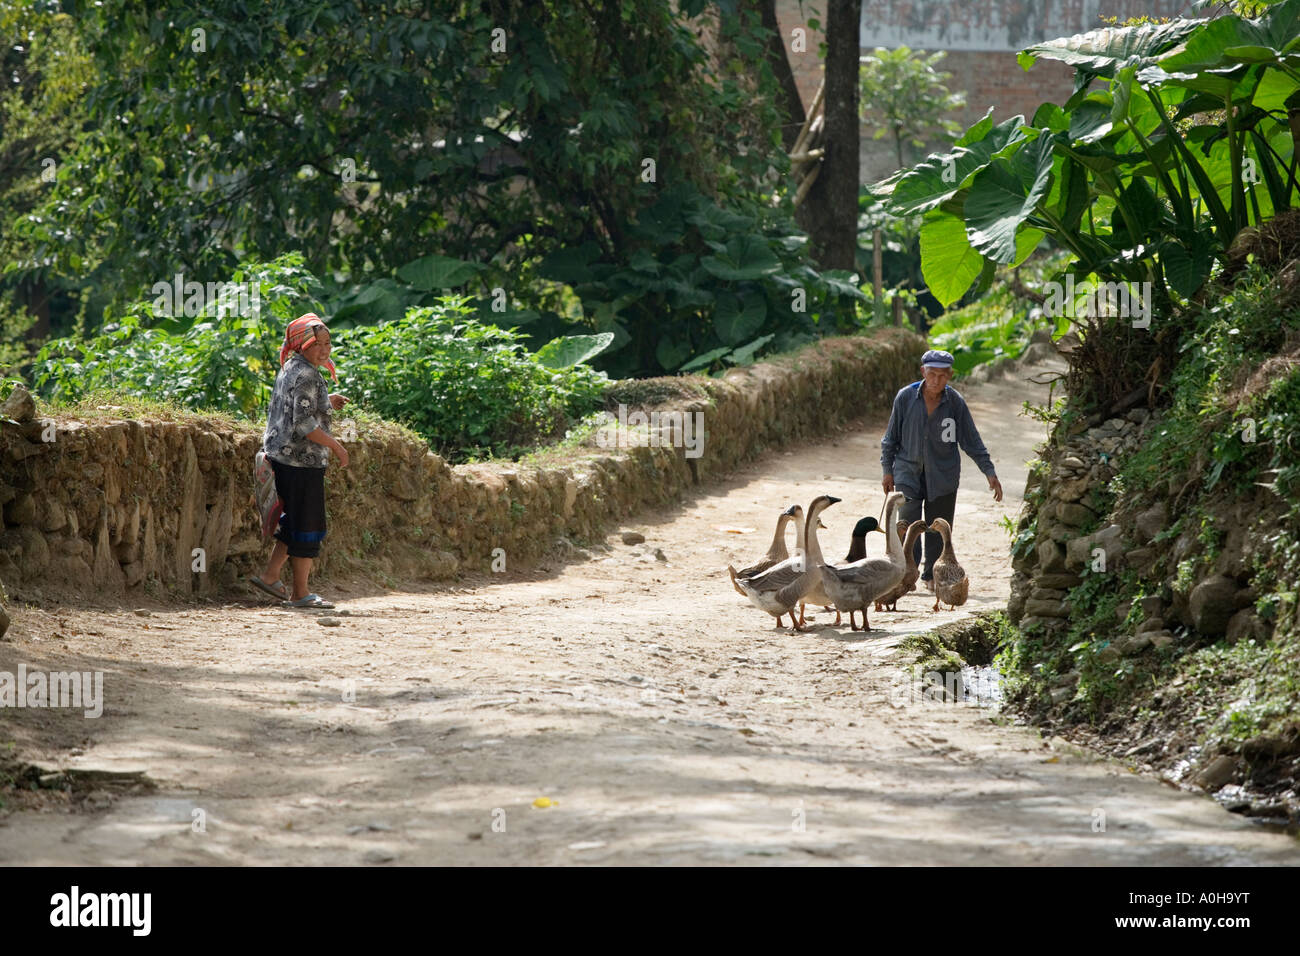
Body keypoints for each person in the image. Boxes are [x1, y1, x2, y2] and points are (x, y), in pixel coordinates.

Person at [249, 313, 350, 608]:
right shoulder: (307, 373)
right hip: (301, 462)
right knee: (307, 524)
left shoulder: (291, 368)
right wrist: (337, 447)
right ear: (301, 344)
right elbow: (304, 424)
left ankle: (270, 576)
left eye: (327, 343)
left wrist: (326, 403)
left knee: (294, 520)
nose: (324, 349)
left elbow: (296, 407)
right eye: (316, 343)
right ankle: (300, 593)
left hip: (282, 457)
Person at [880, 349, 1002, 590]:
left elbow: (971, 440)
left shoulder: (955, 403)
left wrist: (989, 471)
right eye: (932, 374)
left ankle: (930, 576)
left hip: (943, 475)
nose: (936, 380)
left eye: (942, 376)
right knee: (908, 525)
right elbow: (890, 438)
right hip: (908, 472)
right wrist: (887, 470)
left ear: (950, 375)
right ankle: (906, 575)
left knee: (938, 527)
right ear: (923, 372)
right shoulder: (905, 398)